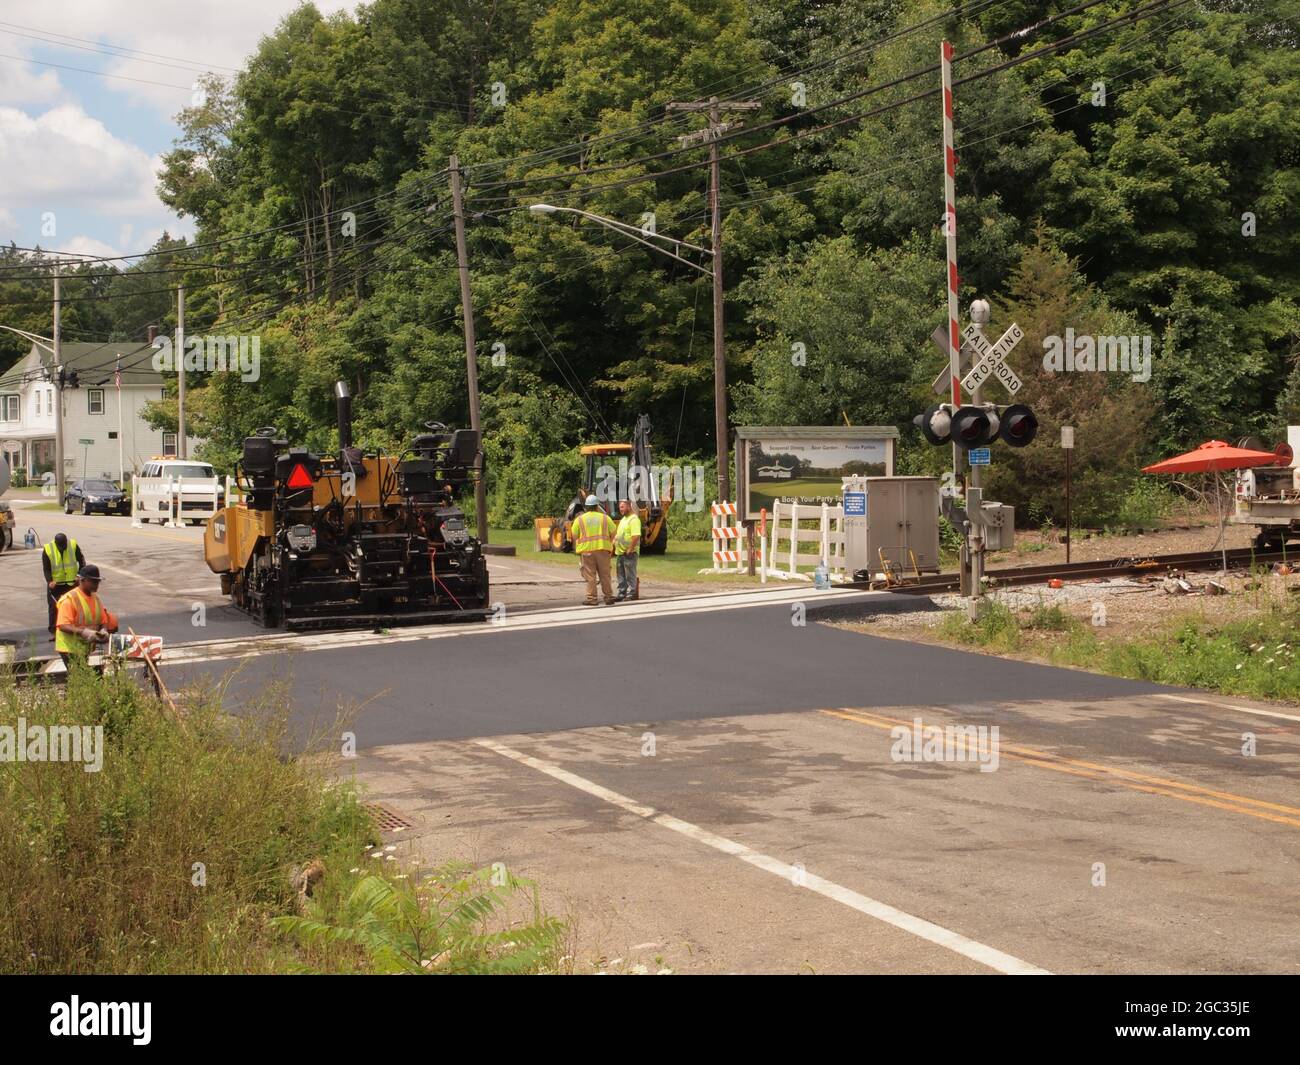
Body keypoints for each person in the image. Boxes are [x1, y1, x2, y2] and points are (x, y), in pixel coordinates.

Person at [54, 564, 118, 666]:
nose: (96, 584)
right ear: (82, 580)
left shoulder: (95, 598)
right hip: (69, 648)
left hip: (84, 646)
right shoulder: (70, 599)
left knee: (83, 673)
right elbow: (63, 625)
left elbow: (103, 620)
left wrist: (104, 630)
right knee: (78, 675)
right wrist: (84, 632)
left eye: (98, 581)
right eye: (93, 581)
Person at [569, 494, 616, 606]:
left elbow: (574, 535)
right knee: (605, 575)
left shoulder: (579, 520)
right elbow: (614, 533)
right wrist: (610, 546)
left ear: (586, 507)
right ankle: (608, 597)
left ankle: (592, 599)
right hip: (603, 550)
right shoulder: (605, 518)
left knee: (590, 576)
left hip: (587, 552)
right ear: (596, 506)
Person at [42, 532, 84, 639]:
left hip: (71, 583)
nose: (63, 548)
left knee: (74, 606)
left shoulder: (73, 545)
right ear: (56, 543)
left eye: (64, 545)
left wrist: (79, 575)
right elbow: (46, 568)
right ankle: (54, 632)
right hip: (56, 584)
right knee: (53, 607)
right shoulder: (48, 549)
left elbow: (82, 561)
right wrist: (50, 581)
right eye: (61, 546)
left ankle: (75, 629)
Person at [613, 498, 642, 602]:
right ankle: (622, 593)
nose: (620, 509)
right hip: (620, 552)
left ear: (629, 506)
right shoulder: (623, 519)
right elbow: (620, 533)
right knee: (620, 574)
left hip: (630, 552)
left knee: (630, 573)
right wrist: (615, 539)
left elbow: (636, 536)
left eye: (622, 507)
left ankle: (632, 593)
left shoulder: (634, 519)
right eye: (620, 507)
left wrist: (630, 548)